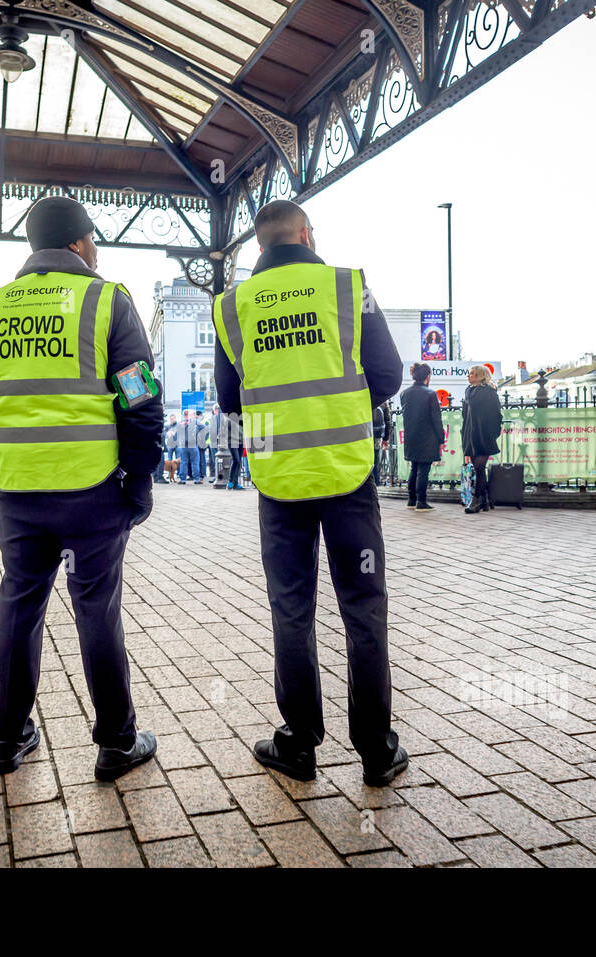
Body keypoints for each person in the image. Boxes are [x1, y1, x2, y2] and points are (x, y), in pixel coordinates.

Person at [0, 194, 161, 782]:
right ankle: (117, 744)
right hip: (93, 490)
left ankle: (8, 738)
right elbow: (141, 400)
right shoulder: (106, 298)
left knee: (20, 606)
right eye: (92, 238)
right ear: (78, 242)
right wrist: (140, 478)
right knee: (97, 611)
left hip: (19, 492)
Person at [213, 198, 407, 787]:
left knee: (291, 612)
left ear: (259, 245)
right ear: (306, 234)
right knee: (364, 611)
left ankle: (298, 744)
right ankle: (376, 750)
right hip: (347, 474)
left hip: (279, 479)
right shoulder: (348, 286)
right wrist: (341, 408)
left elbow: (227, 399)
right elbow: (390, 374)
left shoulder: (233, 305)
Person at [400, 363, 443, 510]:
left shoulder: (405, 393)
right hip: (427, 437)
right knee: (424, 470)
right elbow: (436, 419)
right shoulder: (430, 394)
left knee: (414, 468)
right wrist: (441, 439)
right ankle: (421, 501)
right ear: (427, 376)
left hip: (411, 436)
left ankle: (411, 500)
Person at [461, 363, 503, 514]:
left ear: (480, 376)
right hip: (470, 435)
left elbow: (496, 414)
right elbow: (465, 415)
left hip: (483, 435)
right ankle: (484, 500)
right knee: (478, 469)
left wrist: (492, 433)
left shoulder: (489, 393)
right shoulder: (469, 391)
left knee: (479, 467)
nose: (468, 375)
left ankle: (476, 498)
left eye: (471, 373)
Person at [210, 403, 244, 490]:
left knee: (239, 461)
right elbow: (226, 427)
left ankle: (236, 483)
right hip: (231, 440)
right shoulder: (228, 416)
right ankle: (230, 481)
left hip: (240, 440)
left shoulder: (241, 415)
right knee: (236, 459)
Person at [371, 402, 393, 485]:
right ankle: (375, 482)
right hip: (377, 434)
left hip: (364, 434)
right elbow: (388, 421)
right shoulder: (383, 400)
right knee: (375, 458)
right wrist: (386, 438)